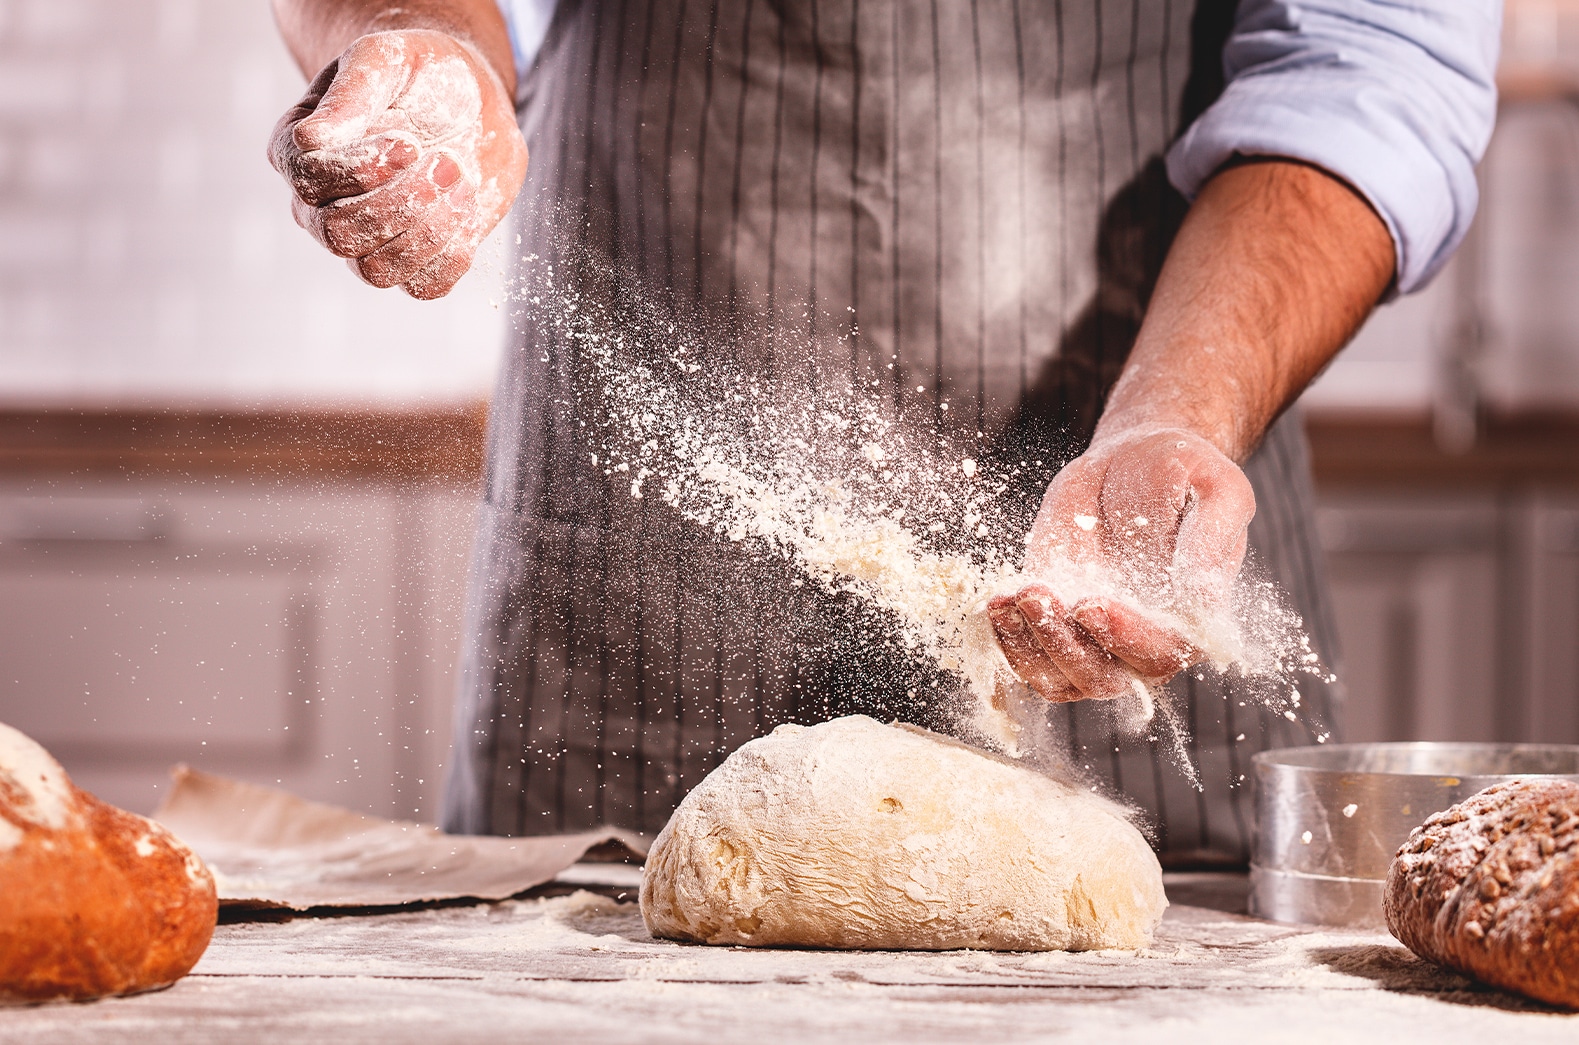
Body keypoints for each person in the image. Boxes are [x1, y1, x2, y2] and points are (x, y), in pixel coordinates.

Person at [270, 0, 1498, 864]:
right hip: (643, 582)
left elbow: (1375, 58)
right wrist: (419, 44)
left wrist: (1177, 406)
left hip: (1139, 503)